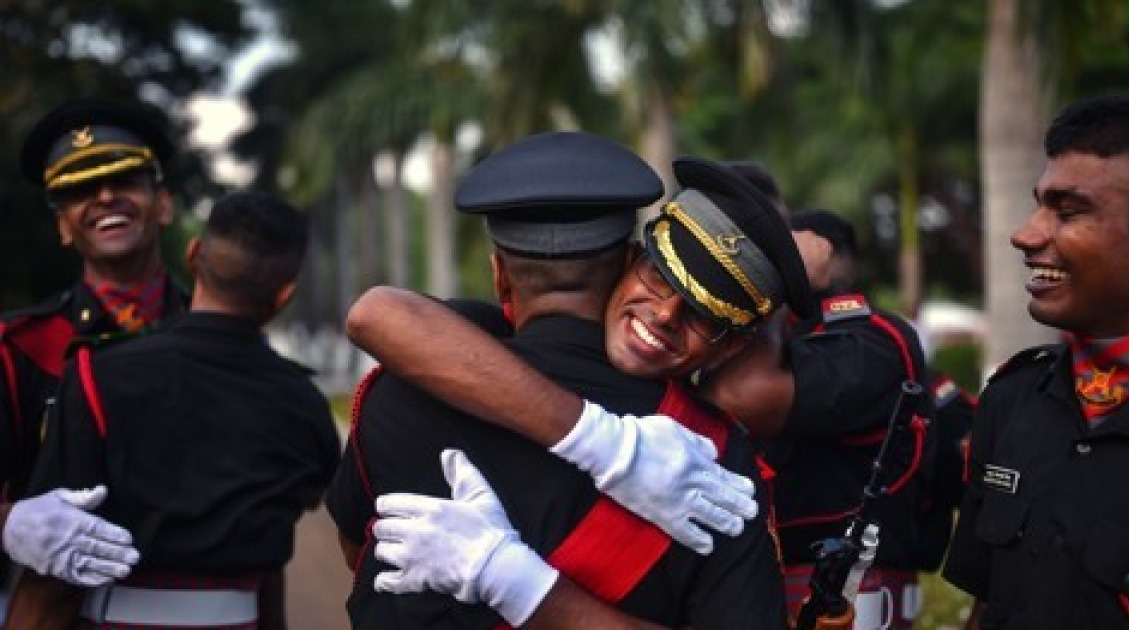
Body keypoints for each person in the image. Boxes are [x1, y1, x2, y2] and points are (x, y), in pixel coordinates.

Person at [328, 133, 814, 628]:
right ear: (629, 262)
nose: (666, 316)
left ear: (498, 274)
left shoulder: (399, 389)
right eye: (661, 282)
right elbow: (380, 314)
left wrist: (515, 582)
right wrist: (600, 445)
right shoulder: (711, 461)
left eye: (703, 316)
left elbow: (357, 548)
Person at [7, 191, 342, 629]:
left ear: (193, 255)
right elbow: (295, 527)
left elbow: (54, 565)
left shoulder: (97, 378)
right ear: (285, 295)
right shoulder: (304, 404)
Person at [942, 95, 1129, 629]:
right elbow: (988, 603)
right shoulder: (1011, 398)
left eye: (1068, 210)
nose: (1026, 234)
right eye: (1039, 204)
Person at [702, 208, 938, 628]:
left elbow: (739, 397)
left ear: (822, 256)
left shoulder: (876, 338)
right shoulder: (767, 339)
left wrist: (777, 279)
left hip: (847, 599)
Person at [0, 98, 189, 610]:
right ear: (63, 226)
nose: (106, 197)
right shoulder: (21, 347)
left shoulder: (218, 336)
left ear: (164, 203)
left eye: (125, 181)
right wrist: (9, 523)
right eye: (80, 190)